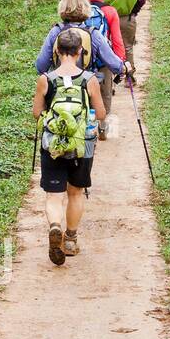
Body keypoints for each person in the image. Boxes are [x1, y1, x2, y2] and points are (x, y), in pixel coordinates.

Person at [33, 28, 106, 265]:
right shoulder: (90, 79)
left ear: (56, 51)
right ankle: (70, 239)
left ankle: (55, 226)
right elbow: (101, 113)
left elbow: (37, 114)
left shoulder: (45, 79)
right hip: (81, 147)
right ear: (80, 52)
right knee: (75, 193)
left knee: (54, 196)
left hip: (52, 146)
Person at [87, 0, 126, 138]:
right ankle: (102, 128)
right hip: (103, 61)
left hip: (83, 60)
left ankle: (87, 128)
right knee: (105, 94)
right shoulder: (110, 11)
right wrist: (120, 63)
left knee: (86, 94)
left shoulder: (81, 8)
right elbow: (116, 39)